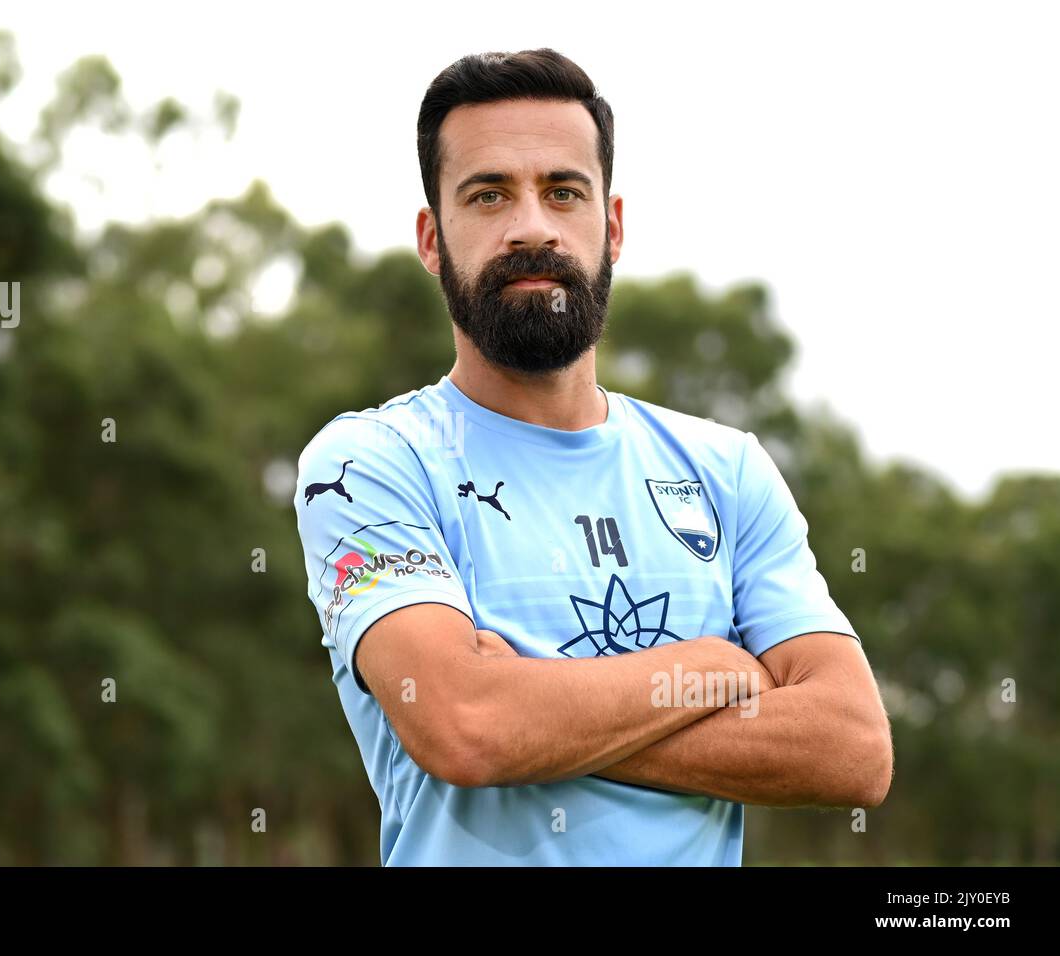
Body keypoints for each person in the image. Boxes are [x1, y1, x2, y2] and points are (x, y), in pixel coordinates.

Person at [293, 47, 892, 865]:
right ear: (433, 239)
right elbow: (466, 730)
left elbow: (853, 749)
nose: (531, 225)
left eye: (562, 192)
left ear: (610, 228)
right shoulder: (371, 463)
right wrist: (712, 670)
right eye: (489, 193)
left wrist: (529, 709)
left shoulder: (727, 471)